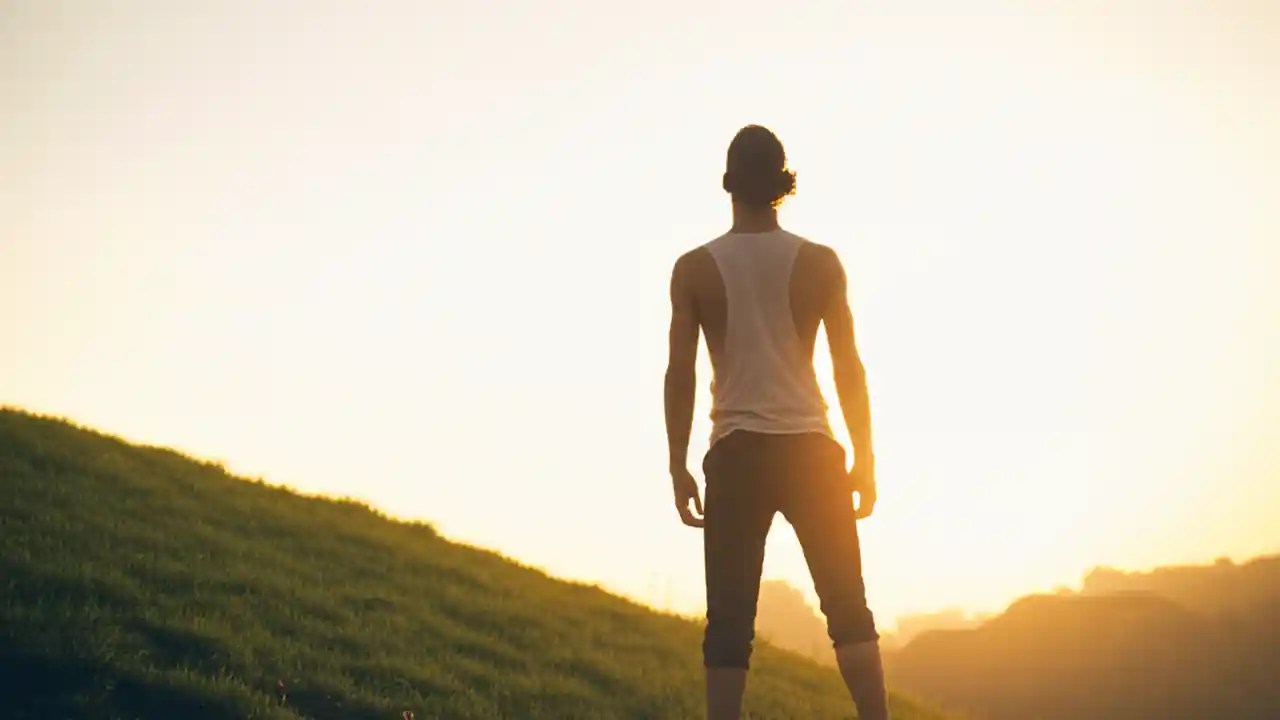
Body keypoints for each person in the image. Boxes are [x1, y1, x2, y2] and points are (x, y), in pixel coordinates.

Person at [664, 125, 888, 719]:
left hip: (736, 454)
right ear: (783, 183)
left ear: (728, 183)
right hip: (812, 451)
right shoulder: (820, 263)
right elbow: (847, 367)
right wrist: (864, 457)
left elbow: (680, 373)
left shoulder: (693, 269)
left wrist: (677, 464)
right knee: (849, 609)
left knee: (729, 623)